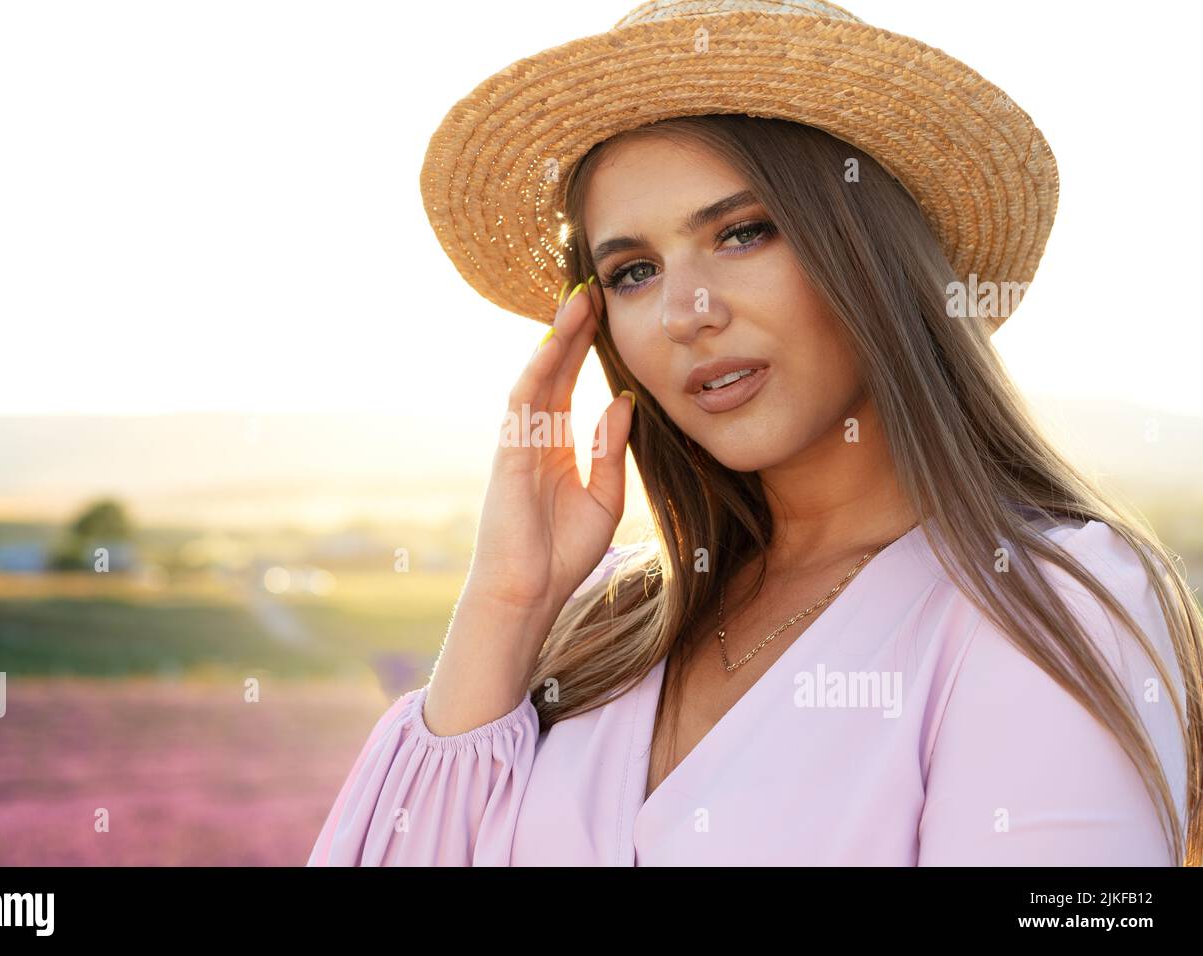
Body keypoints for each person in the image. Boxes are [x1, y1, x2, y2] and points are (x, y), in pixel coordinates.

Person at [308, 0, 1202, 866]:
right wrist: (508, 601)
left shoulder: (1045, 603)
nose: (683, 314)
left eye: (742, 233)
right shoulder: (604, 621)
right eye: (633, 271)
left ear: (869, 251)